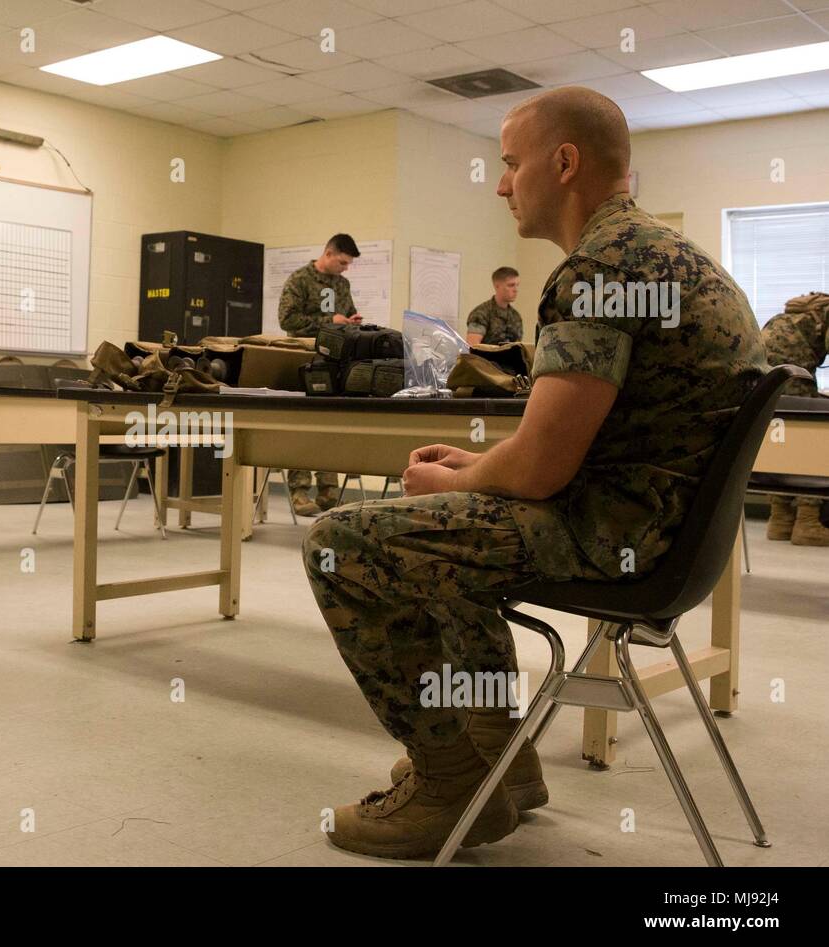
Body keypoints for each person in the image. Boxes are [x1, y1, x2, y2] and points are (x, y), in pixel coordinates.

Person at [302, 86, 766, 859]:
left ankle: (449, 788)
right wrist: (480, 468)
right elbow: (563, 444)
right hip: (657, 532)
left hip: (617, 536)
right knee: (443, 544)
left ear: (565, 162)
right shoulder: (669, 257)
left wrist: (454, 481)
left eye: (512, 163)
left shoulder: (602, 266)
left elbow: (545, 470)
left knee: (343, 543)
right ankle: (502, 765)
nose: (501, 182)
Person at [277, 233, 362, 514]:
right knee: (302, 427)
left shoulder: (342, 284)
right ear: (327, 253)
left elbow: (346, 315)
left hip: (333, 363)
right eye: (342, 262)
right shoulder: (300, 279)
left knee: (330, 426)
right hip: (304, 360)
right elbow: (287, 320)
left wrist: (351, 321)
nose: (345, 268)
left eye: (348, 264)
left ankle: (329, 491)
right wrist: (329, 320)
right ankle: (300, 491)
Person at [760, 293, 829, 546]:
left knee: (781, 444)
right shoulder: (817, 322)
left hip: (763, 393)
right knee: (814, 439)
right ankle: (807, 522)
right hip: (792, 377)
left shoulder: (780, 321)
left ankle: (779, 520)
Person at [465, 267, 522, 345]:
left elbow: (518, 347)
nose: (516, 290)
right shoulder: (481, 313)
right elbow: (472, 346)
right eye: (511, 285)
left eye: (517, 285)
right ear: (497, 286)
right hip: (485, 357)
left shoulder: (516, 316)